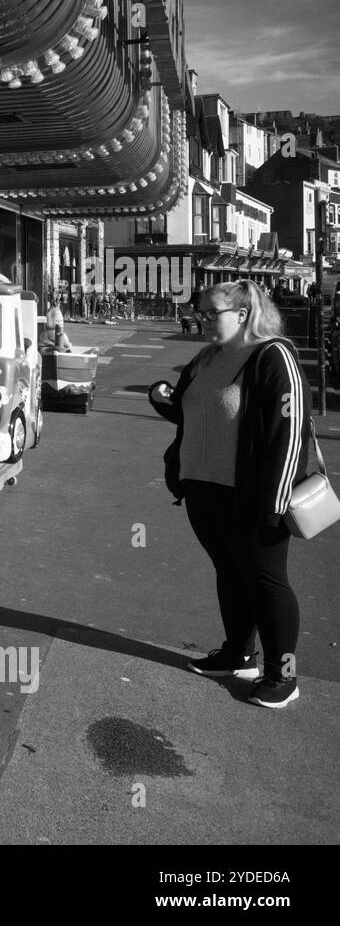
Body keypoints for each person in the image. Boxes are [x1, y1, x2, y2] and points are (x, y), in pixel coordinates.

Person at [147, 279, 308, 708]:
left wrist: (274, 501)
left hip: (254, 496)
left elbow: (288, 433)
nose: (201, 320)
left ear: (242, 314)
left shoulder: (271, 356)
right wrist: (162, 399)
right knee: (230, 573)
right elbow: (194, 413)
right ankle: (238, 653)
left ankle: (284, 675)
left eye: (210, 313)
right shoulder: (207, 357)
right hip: (203, 488)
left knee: (267, 582)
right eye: (199, 312)